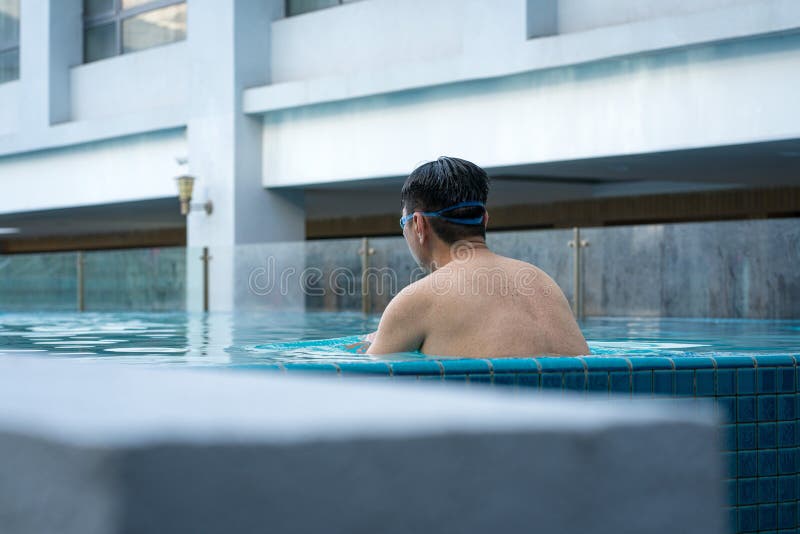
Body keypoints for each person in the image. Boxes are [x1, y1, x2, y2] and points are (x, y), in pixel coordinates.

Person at [361, 156, 588, 358]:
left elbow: (369, 381)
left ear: (419, 225)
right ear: (484, 220)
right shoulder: (543, 282)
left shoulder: (416, 301)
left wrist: (371, 342)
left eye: (404, 223)